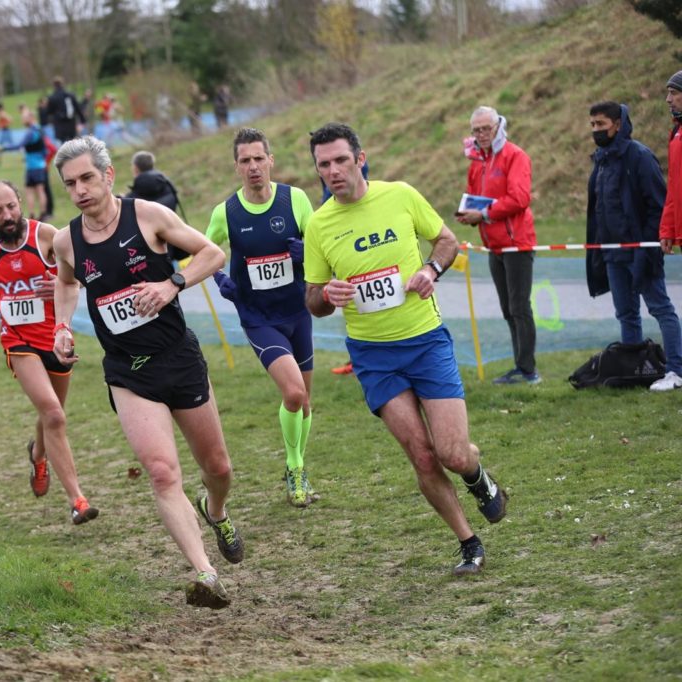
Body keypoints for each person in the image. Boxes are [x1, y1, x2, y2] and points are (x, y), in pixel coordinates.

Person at [305, 122, 508, 576]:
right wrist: (327, 296)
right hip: (373, 356)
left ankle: (478, 477)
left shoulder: (399, 195)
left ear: (360, 158)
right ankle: (468, 542)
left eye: (341, 160)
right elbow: (313, 299)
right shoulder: (319, 225)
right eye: (324, 165)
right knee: (420, 455)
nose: (333, 171)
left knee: (454, 454)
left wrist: (432, 270)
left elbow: (447, 240)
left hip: (425, 343)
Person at [51, 136, 244, 609]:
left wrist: (171, 284)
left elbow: (212, 254)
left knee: (217, 468)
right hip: (127, 371)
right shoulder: (66, 240)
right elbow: (66, 283)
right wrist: (60, 326)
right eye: (70, 183)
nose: (79, 190)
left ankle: (215, 509)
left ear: (109, 175)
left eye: (87, 178)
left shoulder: (149, 216)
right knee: (161, 472)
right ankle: (205, 572)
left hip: (177, 357)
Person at [0, 180, 98, 524]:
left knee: (52, 413)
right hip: (18, 341)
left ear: (20, 202)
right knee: (53, 414)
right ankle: (77, 500)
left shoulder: (47, 235)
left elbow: (81, 269)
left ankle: (38, 454)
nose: (7, 216)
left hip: (54, 338)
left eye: (11, 206)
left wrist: (65, 283)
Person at [205, 128, 318, 507]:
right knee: (293, 393)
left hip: (298, 312)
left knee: (305, 403)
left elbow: (322, 247)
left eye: (258, 158)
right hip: (258, 318)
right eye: (244, 161)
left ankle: (297, 466)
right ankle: (295, 466)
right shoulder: (227, 212)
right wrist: (222, 279)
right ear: (236, 167)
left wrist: (308, 255)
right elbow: (204, 253)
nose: (253, 167)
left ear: (271, 161)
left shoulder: (295, 199)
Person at [586, 101, 682, 392]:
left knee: (660, 308)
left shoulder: (639, 156)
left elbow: (657, 202)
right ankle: (633, 368)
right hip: (612, 251)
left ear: (617, 124)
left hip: (641, 248)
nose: (596, 130)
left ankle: (676, 370)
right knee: (626, 312)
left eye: (601, 124)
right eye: (592, 125)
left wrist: (648, 245)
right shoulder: (601, 159)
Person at [455, 106, 540, 385]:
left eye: (486, 129)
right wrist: (468, 214)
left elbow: (519, 198)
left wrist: (485, 214)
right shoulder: (477, 162)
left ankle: (528, 370)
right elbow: (473, 198)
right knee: (507, 309)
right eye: (476, 130)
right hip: (493, 246)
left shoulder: (515, 155)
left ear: (498, 126)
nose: (481, 134)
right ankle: (521, 367)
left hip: (517, 244)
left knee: (519, 307)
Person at [0, 107, 49, 221]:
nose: (22, 120)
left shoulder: (30, 133)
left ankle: (33, 214)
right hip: (39, 164)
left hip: (33, 167)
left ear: (31, 118)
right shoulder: (39, 130)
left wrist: (2, 148)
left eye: (24, 117)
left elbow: (19, 145)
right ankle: (42, 214)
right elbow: (43, 149)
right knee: (39, 190)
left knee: (31, 191)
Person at [661, 71, 682, 256]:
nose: (669, 99)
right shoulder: (676, 132)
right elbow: (674, 185)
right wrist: (667, 228)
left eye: (674, 92)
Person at [46, 76, 85, 144]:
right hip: (71, 123)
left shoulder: (52, 97)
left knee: (64, 145)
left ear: (54, 85)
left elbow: (49, 112)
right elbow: (78, 108)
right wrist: (82, 120)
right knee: (72, 143)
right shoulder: (70, 95)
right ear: (62, 84)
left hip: (60, 125)